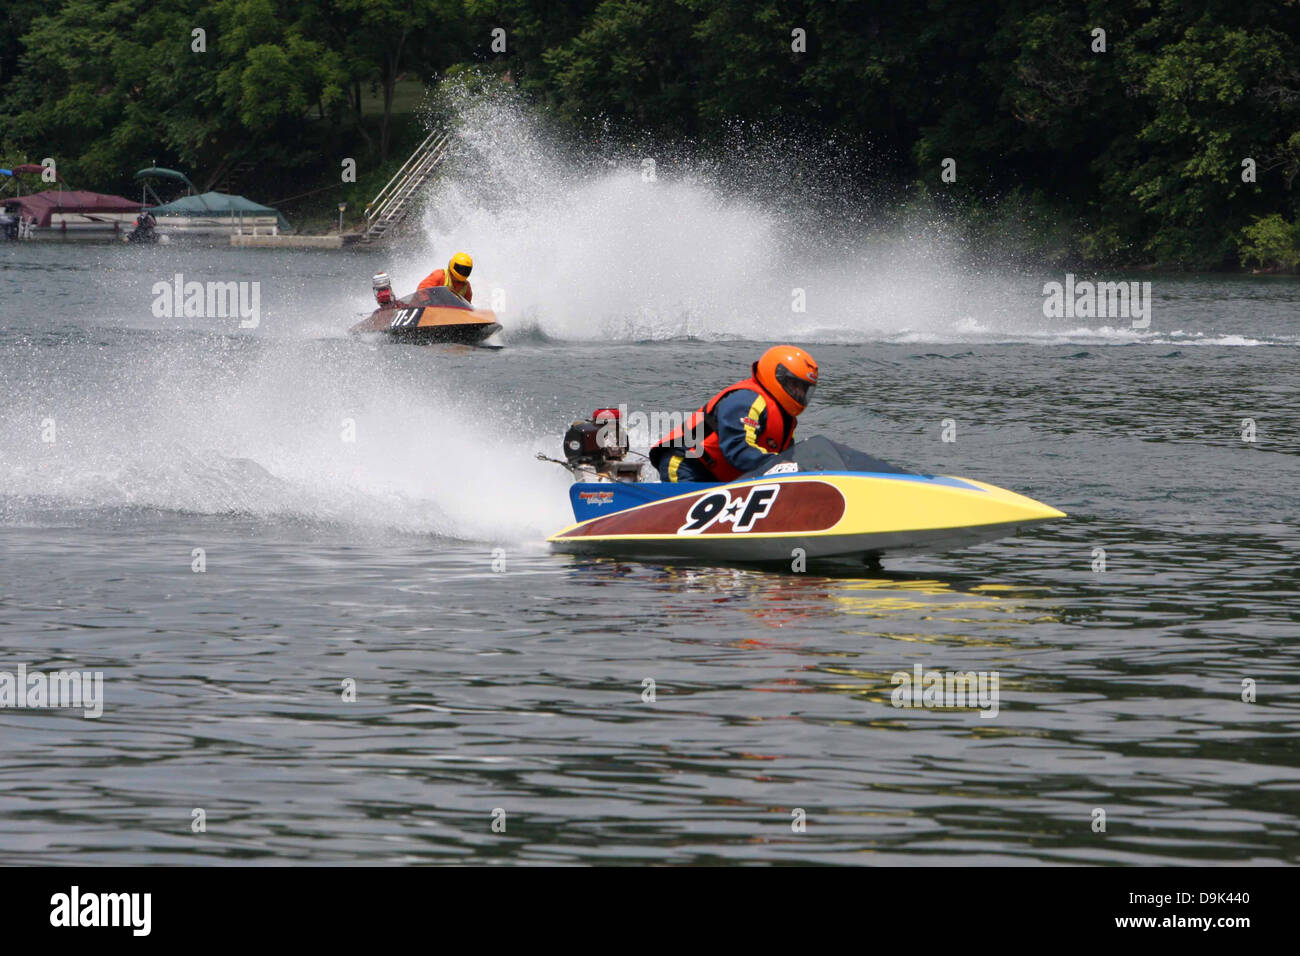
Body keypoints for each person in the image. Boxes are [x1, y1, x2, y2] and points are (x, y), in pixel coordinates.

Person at [650, 345, 819, 482]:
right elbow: (737, 449)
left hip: (721, 477)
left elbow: (786, 459)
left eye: (803, 388)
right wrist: (778, 464)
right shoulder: (747, 399)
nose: (799, 393)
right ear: (778, 376)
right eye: (794, 384)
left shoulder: (787, 420)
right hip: (688, 464)